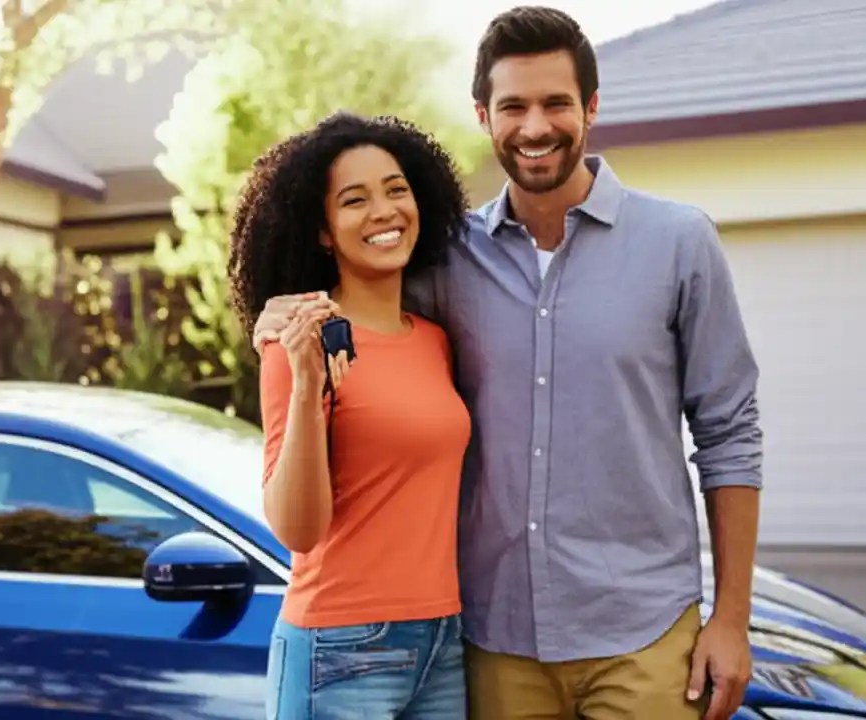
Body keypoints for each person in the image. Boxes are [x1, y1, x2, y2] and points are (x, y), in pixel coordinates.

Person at [251, 7, 763, 720]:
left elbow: (730, 433)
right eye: (513, 106)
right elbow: (361, 290)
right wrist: (278, 313)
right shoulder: (448, 258)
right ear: (483, 116)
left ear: (590, 106)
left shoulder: (679, 244)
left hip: (643, 636)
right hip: (492, 647)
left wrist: (732, 619)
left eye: (555, 103)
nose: (534, 127)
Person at [228, 111, 474, 718]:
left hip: (443, 641)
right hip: (338, 646)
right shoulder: (298, 340)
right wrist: (309, 388)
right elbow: (298, 530)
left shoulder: (437, 341)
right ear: (322, 230)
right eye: (355, 200)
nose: (384, 211)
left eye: (396, 190)